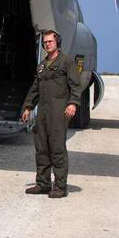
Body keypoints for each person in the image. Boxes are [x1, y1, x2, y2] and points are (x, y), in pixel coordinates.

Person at [20, 29, 83, 198]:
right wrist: (27, 107)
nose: (47, 44)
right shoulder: (42, 65)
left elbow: (76, 86)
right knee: (41, 147)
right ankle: (43, 184)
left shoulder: (66, 62)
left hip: (59, 110)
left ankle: (60, 187)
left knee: (57, 148)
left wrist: (72, 103)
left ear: (57, 43)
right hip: (43, 112)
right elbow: (35, 89)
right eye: (45, 42)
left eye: (50, 41)